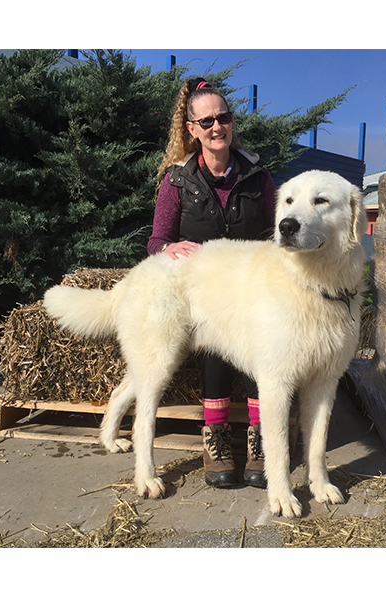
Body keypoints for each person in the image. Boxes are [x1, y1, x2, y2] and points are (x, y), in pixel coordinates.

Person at [148, 77, 278, 489]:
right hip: (204, 296)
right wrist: (168, 247)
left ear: (232, 121)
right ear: (192, 130)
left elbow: (281, 234)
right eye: (206, 122)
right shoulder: (177, 182)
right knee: (214, 341)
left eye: (222, 118)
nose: (216, 127)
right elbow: (154, 241)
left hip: (256, 290)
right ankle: (216, 436)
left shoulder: (259, 178)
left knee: (263, 343)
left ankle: (261, 441)